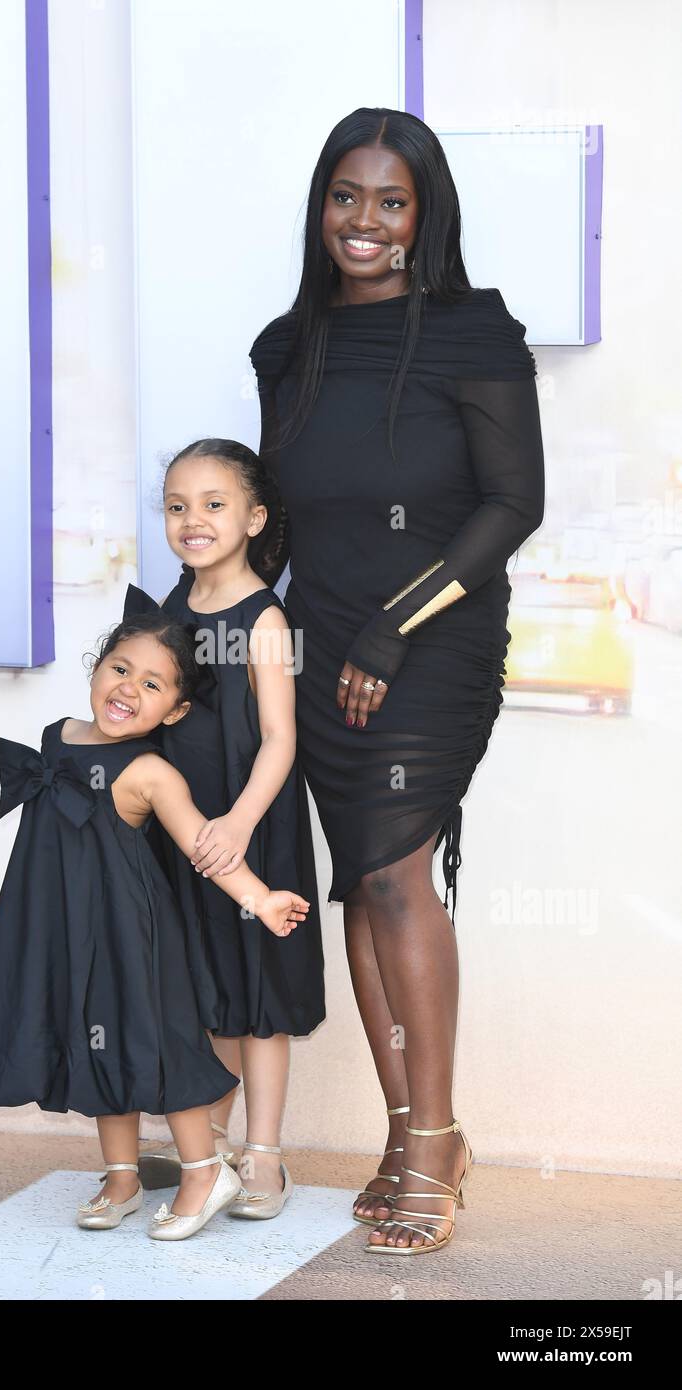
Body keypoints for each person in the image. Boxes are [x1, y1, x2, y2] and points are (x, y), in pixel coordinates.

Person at [248, 107, 545, 1254]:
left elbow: (509, 503)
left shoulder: (470, 331)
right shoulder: (287, 346)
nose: (361, 222)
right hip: (323, 644)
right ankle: (408, 1128)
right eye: (343, 196)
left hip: (430, 646)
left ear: (423, 216)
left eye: (389, 201)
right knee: (360, 888)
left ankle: (435, 1144)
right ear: (320, 205)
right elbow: (284, 517)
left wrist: (389, 629)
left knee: (394, 873)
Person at [0, 611, 310, 1241]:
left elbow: (204, 844)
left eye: (153, 685)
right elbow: (45, 840)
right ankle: (120, 1177)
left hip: (130, 938)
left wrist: (260, 898)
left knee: (161, 1050)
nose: (128, 689)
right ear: (96, 668)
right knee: (97, 1049)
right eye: (121, 670)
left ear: (174, 711)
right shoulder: (56, 738)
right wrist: (12, 899)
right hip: (68, 932)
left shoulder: (152, 773)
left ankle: (205, 1171)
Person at [125, 439, 325, 1219]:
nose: (192, 520)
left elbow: (279, 737)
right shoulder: (168, 612)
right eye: (177, 506)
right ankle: (205, 1145)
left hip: (249, 827)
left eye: (213, 504)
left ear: (254, 517)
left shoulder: (264, 618)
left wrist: (239, 823)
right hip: (184, 832)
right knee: (203, 986)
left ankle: (265, 1153)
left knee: (258, 994)